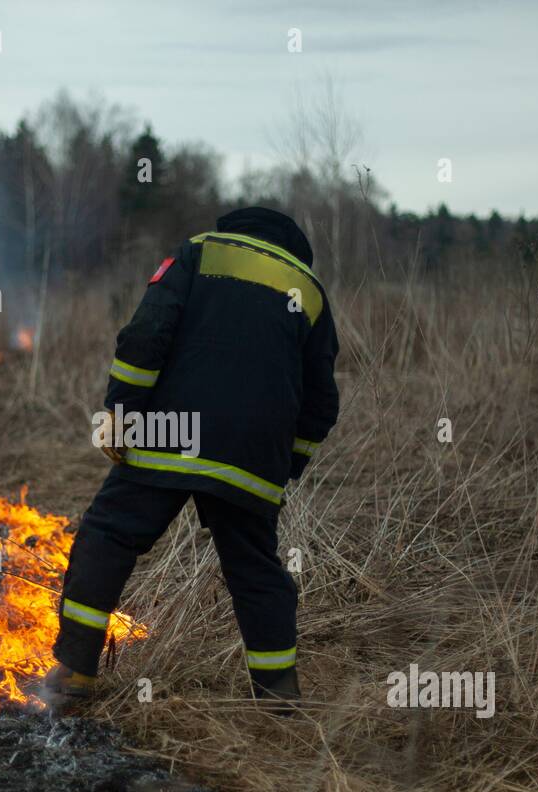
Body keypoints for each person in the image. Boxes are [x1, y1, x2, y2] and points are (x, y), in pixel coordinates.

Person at [41, 206, 339, 710]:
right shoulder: (308, 290)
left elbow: (144, 335)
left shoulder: (200, 251)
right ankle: (278, 695)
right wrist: (283, 465)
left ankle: (75, 670)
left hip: (170, 434)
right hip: (253, 454)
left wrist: (120, 412)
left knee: (109, 535)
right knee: (255, 568)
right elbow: (321, 402)